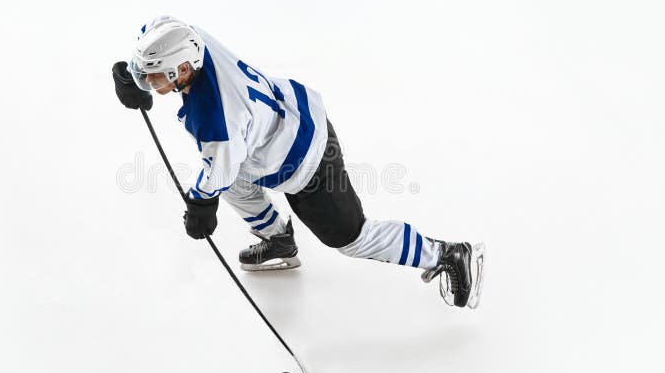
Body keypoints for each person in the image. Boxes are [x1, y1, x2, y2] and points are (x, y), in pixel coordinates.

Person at [112, 16, 484, 308]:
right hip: (287, 116)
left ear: (182, 70)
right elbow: (159, 26)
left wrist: (199, 206)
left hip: (307, 159)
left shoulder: (216, 119)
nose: (147, 82)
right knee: (232, 182)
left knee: (351, 238)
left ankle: (449, 255)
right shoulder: (189, 37)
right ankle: (280, 241)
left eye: (152, 77)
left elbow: (217, 171)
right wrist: (131, 74)